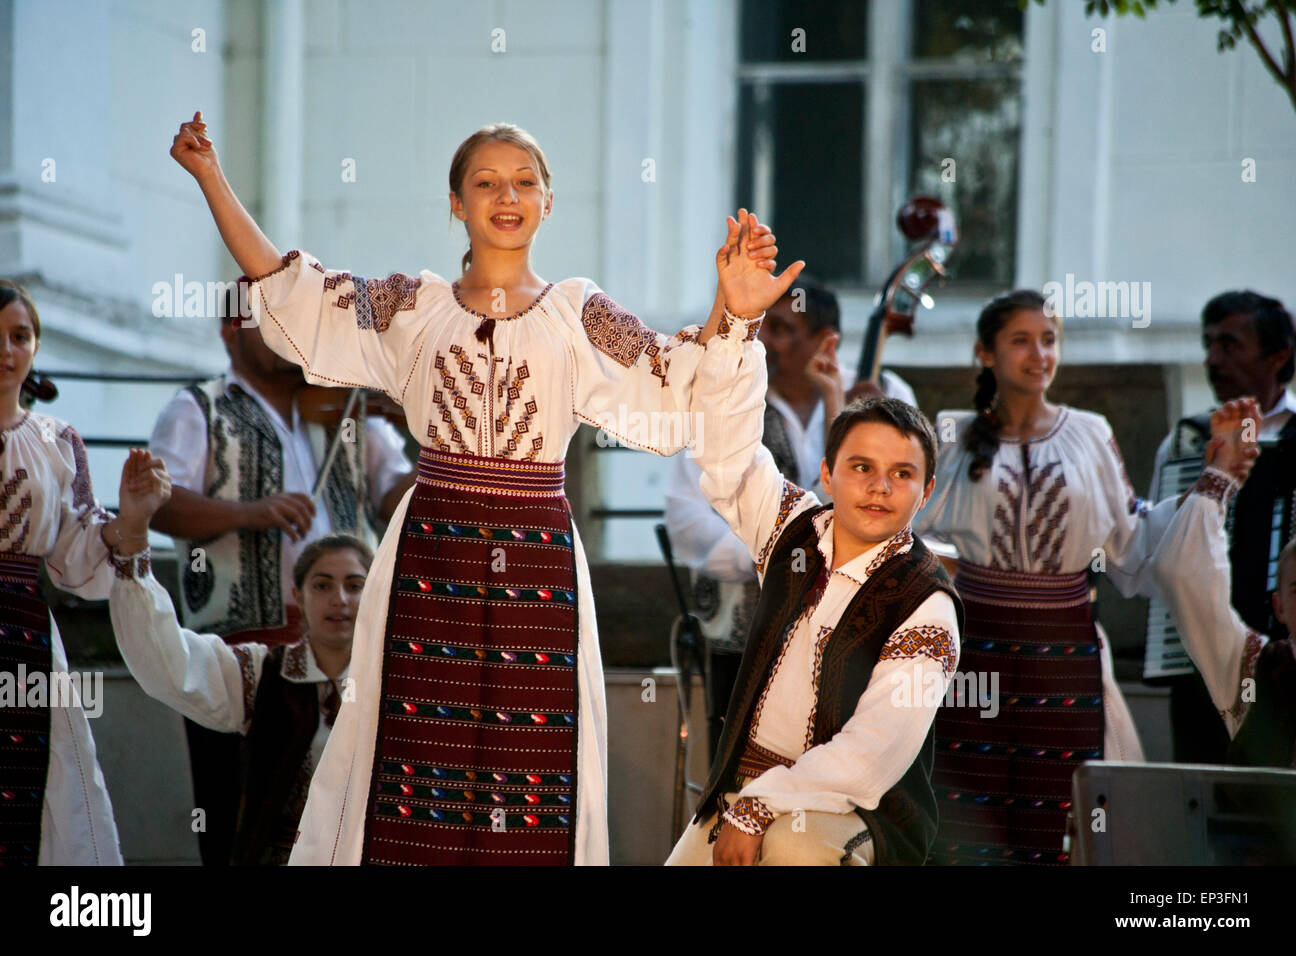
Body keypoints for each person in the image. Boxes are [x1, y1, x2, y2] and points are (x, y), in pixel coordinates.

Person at [169, 110, 802, 865]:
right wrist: (211, 178)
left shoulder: (576, 313)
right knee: (408, 764)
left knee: (531, 778)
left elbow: (676, 383)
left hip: (538, 566)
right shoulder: (415, 308)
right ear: (456, 204)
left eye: (526, 181)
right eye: (487, 181)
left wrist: (730, 308)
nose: (508, 194)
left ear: (548, 202)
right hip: (429, 560)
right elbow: (289, 290)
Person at [913, 289, 1258, 866]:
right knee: (967, 806)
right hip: (972, 647)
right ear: (985, 353)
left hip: (1064, 649)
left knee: (1064, 813)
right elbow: (912, 531)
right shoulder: (951, 432)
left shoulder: (1090, 432)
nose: (1039, 354)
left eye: (1049, 340)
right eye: (1020, 340)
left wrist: (1213, 480)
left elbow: (1130, 540)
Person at [148, 283, 414, 866]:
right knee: (239, 806)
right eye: (264, 321)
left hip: (346, 644)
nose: (282, 333)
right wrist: (250, 513)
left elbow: (399, 497)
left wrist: (436, 445)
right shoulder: (198, 407)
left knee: (350, 804)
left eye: (288, 321)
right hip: (242, 647)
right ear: (227, 333)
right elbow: (160, 503)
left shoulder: (343, 410)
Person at [666, 390, 961, 866]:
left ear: (925, 492)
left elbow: (872, 753)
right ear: (827, 473)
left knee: (795, 849)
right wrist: (735, 330)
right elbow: (728, 452)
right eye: (861, 467)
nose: (879, 487)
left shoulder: (927, 605)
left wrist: (759, 809)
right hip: (741, 790)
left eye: (902, 474)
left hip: (859, 808)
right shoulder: (792, 529)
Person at [665, 276, 916, 758]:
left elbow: (891, 508)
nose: (763, 340)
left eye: (781, 329)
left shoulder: (884, 394)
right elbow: (686, 520)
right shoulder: (730, 400)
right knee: (737, 769)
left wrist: (842, 408)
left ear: (827, 342)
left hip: (844, 635)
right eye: (763, 326)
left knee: (830, 765)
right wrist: (783, 558)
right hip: (740, 637)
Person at [107, 450, 374, 864]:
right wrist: (135, 533)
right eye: (322, 586)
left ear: (374, 598)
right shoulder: (260, 672)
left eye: (355, 586)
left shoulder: (399, 682)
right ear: (298, 599)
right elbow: (167, 658)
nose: (339, 599)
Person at [0, 280, 147, 865]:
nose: (7, 350)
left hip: (24, 631)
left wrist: (132, 518)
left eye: (20, 336)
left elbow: (79, 549)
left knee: (32, 792)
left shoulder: (55, 440)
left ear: (35, 348)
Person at [1148, 291, 1296, 764]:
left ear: (1278, 356)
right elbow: (1161, 547)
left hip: (1286, 668)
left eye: (1230, 345)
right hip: (1194, 666)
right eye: (1208, 344)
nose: (1212, 360)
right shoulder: (1187, 440)